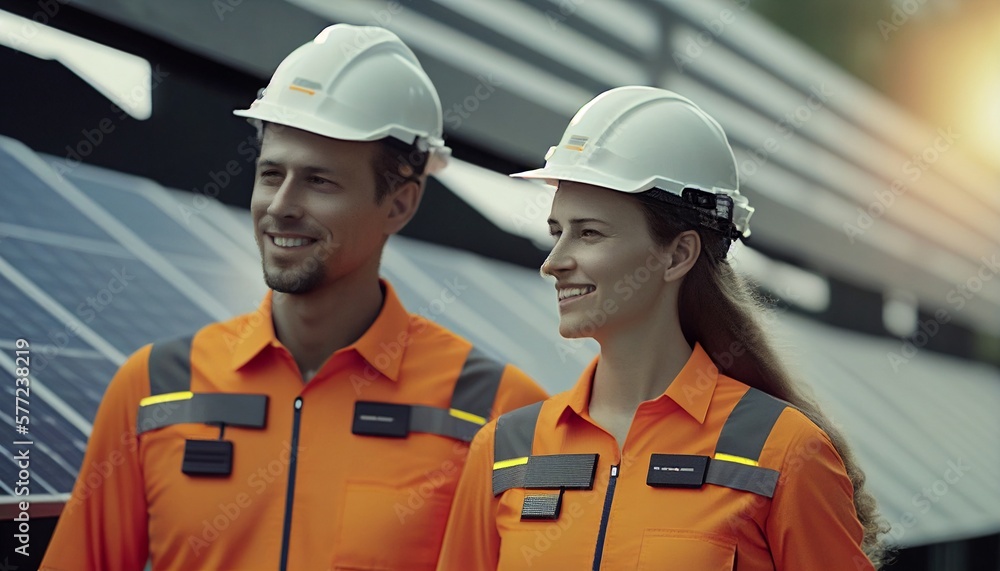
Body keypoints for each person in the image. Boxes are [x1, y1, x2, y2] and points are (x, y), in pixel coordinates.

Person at [40, 24, 547, 571]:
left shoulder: (499, 413)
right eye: (271, 174)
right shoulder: (153, 388)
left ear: (400, 204)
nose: (281, 205)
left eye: (320, 182)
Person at [436, 86, 888, 570]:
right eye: (556, 232)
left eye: (589, 233)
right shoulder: (504, 451)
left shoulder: (785, 453)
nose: (554, 262)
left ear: (678, 254)